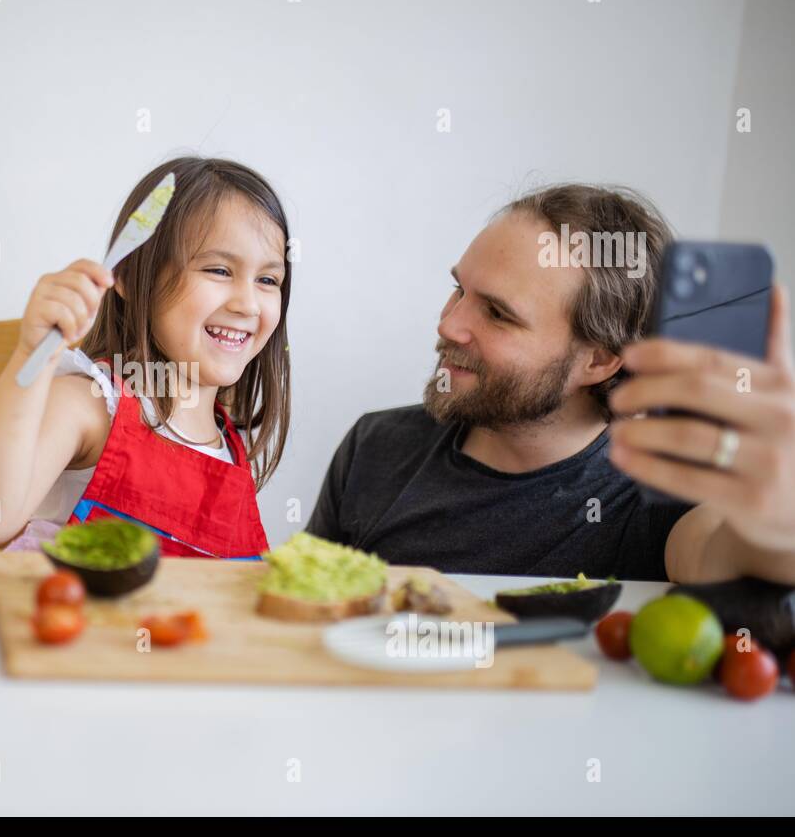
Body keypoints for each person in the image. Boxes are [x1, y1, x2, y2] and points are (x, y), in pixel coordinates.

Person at [307, 183, 795, 584]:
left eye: (498, 314)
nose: (449, 324)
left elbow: (724, 553)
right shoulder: (376, 447)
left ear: (600, 360)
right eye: (459, 289)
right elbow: (302, 608)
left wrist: (777, 519)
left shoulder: (658, 489)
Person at [0, 157, 292, 558]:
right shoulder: (91, 405)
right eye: (218, 270)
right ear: (128, 277)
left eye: (268, 280)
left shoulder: (231, 448)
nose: (248, 303)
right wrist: (32, 355)